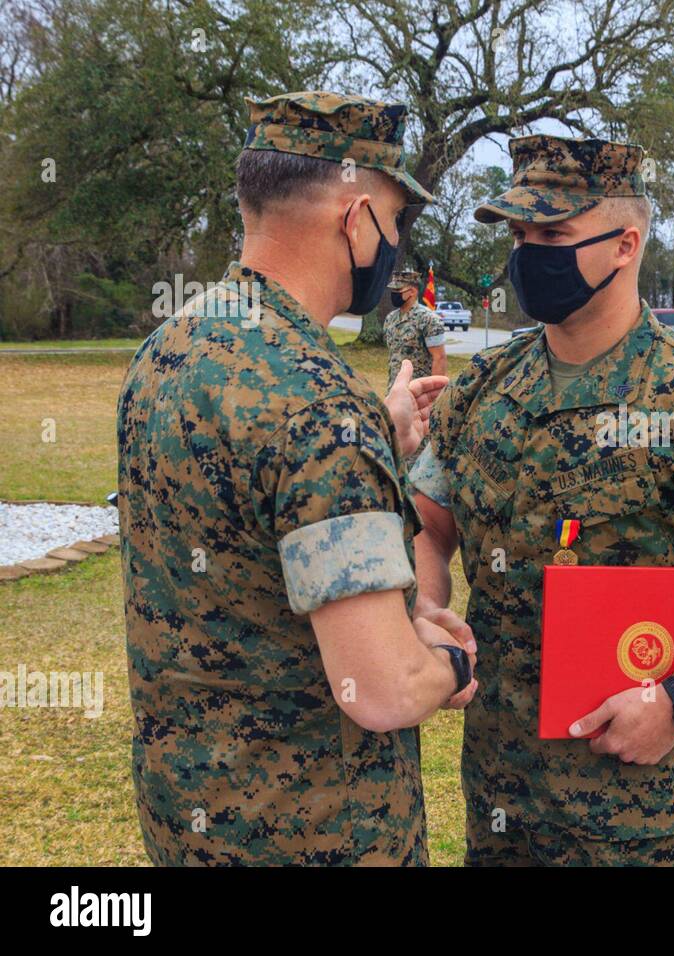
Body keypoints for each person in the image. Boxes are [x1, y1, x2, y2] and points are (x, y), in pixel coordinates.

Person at [406, 134, 674, 866]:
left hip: (637, 815)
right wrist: (426, 606)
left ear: (624, 245)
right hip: (499, 797)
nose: (528, 255)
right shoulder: (483, 387)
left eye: (553, 235)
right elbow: (426, 523)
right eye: (519, 237)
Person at [116, 92, 476, 866]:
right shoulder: (320, 406)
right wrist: (448, 665)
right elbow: (381, 690)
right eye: (394, 222)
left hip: (187, 818)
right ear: (357, 220)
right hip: (314, 833)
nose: (394, 247)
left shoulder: (167, 350)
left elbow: (244, 554)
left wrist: (375, 434)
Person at [384, 269, 447, 389]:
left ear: (412, 292)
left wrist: (435, 393)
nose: (393, 293)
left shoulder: (428, 319)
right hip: (394, 388)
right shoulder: (391, 318)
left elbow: (439, 358)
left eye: (398, 290)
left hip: (418, 390)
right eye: (392, 290)